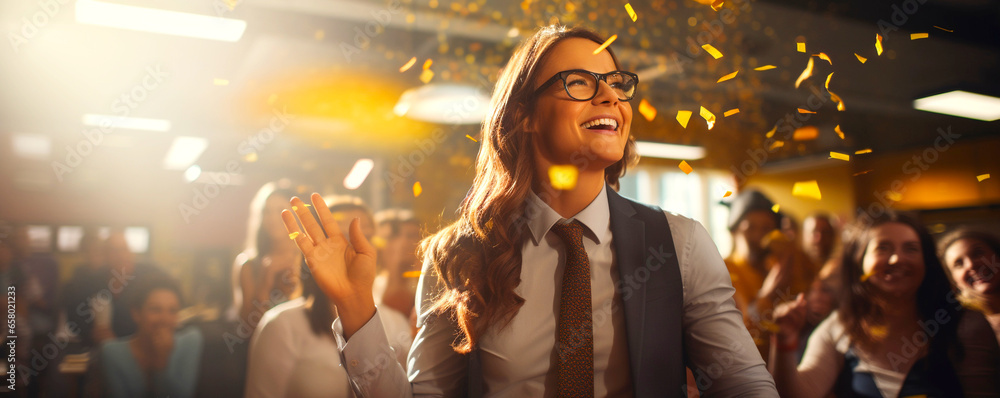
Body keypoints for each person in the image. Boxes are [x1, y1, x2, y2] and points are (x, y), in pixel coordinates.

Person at [282, 25, 776, 396]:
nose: (610, 96)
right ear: (524, 117)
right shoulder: (458, 254)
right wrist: (355, 309)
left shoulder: (681, 244)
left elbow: (743, 385)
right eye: (580, 82)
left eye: (616, 82)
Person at [769, 211, 988, 397]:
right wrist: (784, 341)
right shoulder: (840, 325)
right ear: (859, 261)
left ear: (926, 261)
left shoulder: (964, 325)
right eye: (883, 248)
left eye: (910, 249)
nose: (896, 259)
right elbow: (799, 393)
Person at [724, 191, 816, 357]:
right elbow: (738, 340)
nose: (758, 235)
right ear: (734, 230)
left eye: (766, 228)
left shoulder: (780, 266)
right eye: (750, 227)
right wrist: (767, 295)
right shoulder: (723, 270)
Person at [96, 276, 202, 398]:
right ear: (136, 314)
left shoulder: (189, 342)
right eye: (155, 309)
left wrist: (161, 362)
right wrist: (160, 361)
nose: (165, 319)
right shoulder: (112, 353)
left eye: (172, 311)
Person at [232, 182, 304, 330]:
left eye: (281, 211)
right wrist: (265, 282)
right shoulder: (248, 265)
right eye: (267, 211)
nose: (273, 218)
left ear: (295, 215)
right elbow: (246, 327)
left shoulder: (309, 259)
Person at [939, 228, 1000, 346]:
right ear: (954, 281)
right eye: (959, 264)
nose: (971, 265)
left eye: (978, 253)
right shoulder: (956, 326)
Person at [372, 208, 422, 320]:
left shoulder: (427, 283)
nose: (403, 243)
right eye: (392, 237)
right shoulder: (374, 283)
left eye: (411, 236)